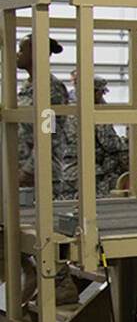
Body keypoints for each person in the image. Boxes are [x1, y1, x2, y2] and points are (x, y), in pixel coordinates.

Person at [16, 34, 77, 200]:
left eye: (22, 50)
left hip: (38, 175)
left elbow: (50, 134)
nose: (17, 54)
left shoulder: (51, 88)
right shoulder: (27, 85)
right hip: (20, 170)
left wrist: (29, 171)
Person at [88, 76, 128, 195]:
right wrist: (124, 143)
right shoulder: (97, 110)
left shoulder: (71, 107)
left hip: (67, 169)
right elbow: (109, 144)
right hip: (95, 170)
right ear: (97, 92)